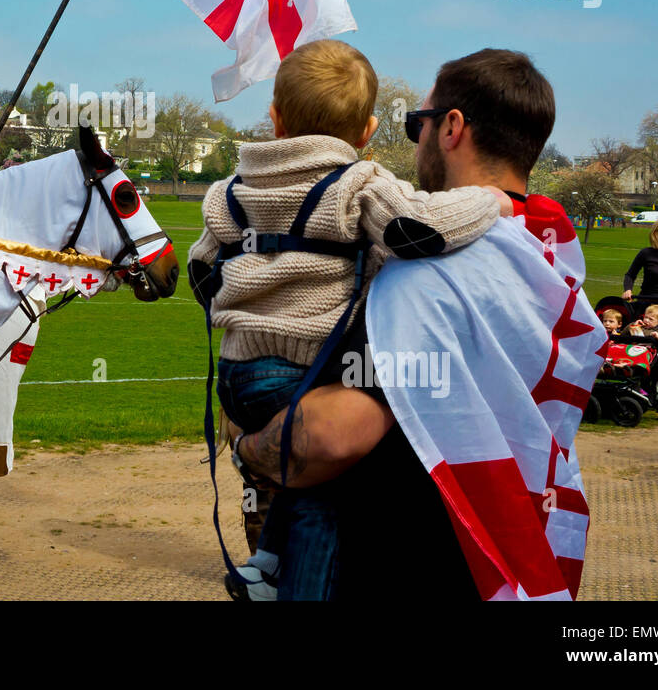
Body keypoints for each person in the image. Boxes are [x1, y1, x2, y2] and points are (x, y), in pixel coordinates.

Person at [227, 48, 605, 601]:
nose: (414, 139)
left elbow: (332, 436)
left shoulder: (421, 280)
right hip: (495, 549)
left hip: (402, 562)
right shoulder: (549, 255)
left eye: (415, 124)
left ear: (452, 127)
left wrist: (245, 443)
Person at [188, 39, 510, 601]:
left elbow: (201, 272)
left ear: (275, 116)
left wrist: (252, 305)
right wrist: (488, 201)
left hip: (238, 374)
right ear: (367, 130)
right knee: (326, 499)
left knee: (294, 476)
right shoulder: (357, 185)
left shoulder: (228, 192)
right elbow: (419, 228)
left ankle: (265, 561)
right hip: (305, 374)